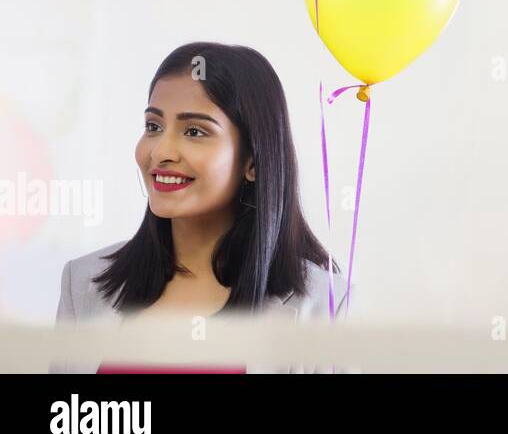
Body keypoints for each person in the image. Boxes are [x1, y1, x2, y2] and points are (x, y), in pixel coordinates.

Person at [53, 41, 347, 373]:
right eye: (153, 126)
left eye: (194, 131)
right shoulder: (82, 283)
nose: (162, 150)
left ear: (252, 161)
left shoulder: (327, 305)